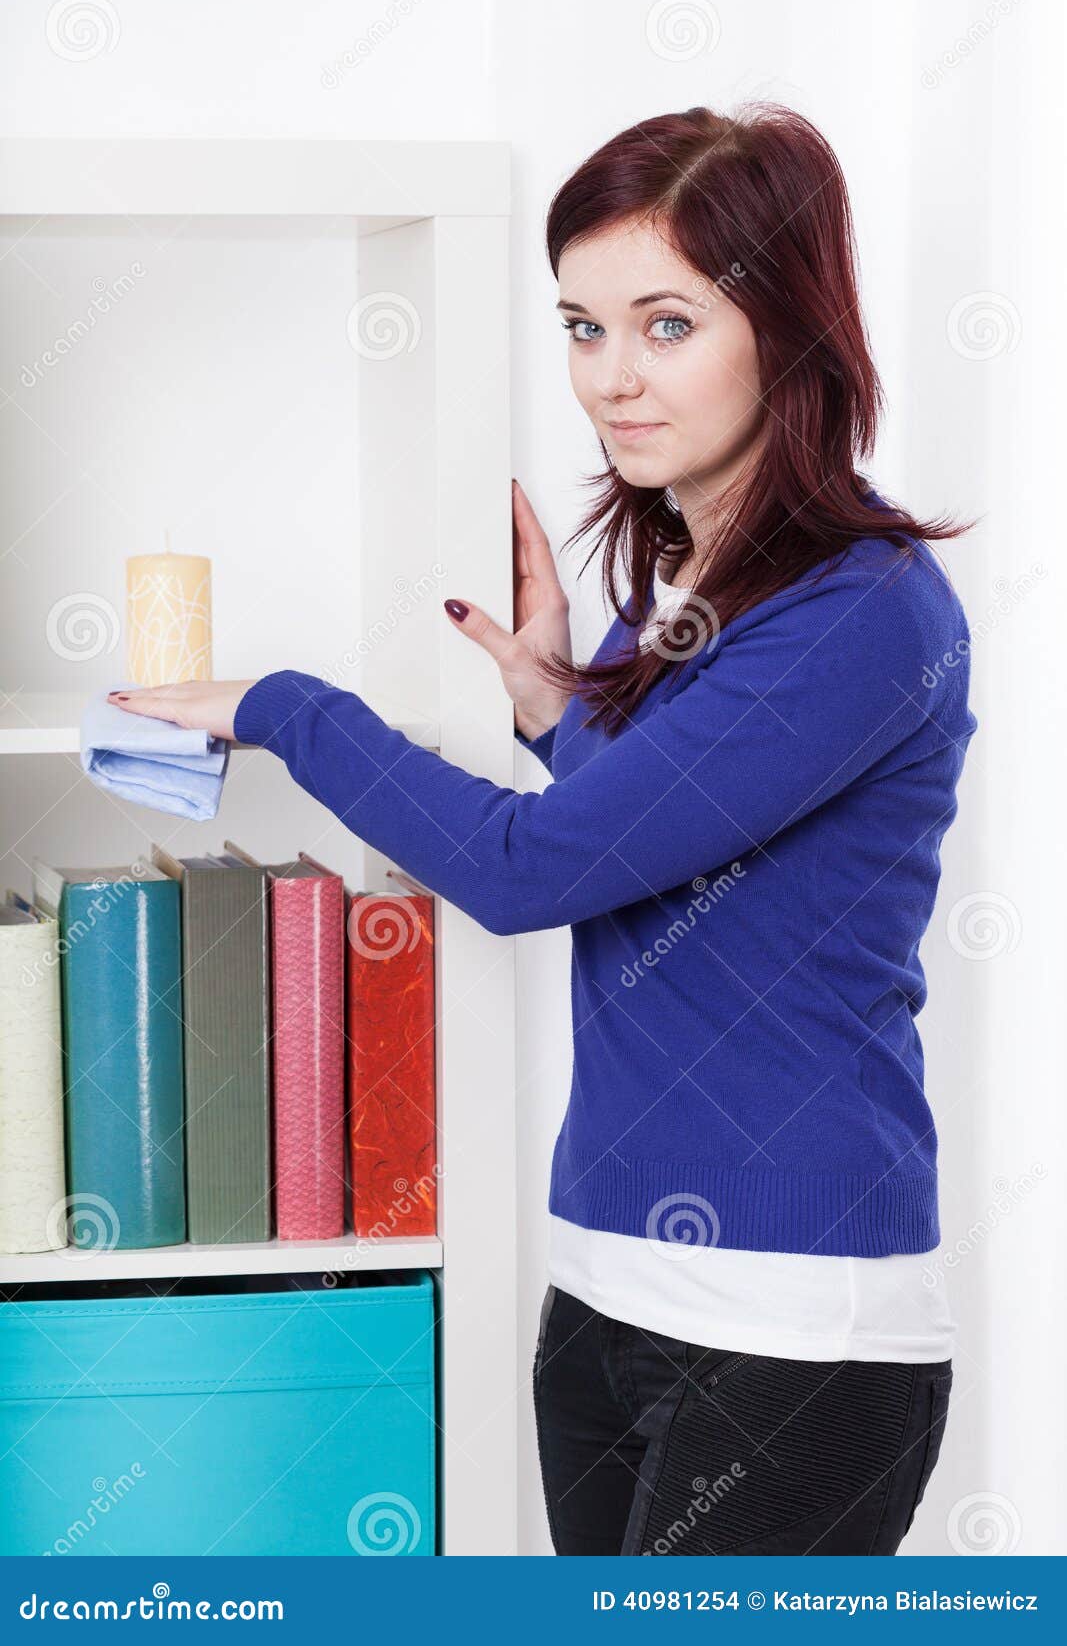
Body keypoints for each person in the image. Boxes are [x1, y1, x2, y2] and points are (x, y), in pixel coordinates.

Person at [109, 101, 978, 1556]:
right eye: (582, 328)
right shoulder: (704, 586)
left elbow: (536, 873)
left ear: (790, 323)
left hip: (795, 1326)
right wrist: (556, 707)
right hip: (606, 1285)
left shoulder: (866, 606)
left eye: (665, 324)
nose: (612, 381)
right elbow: (678, 834)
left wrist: (282, 703)